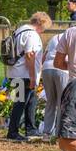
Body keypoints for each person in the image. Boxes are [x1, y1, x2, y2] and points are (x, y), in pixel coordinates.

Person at [6, 12, 51, 142]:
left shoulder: (20, 30)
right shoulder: (31, 34)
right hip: (24, 75)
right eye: (44, 27)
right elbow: (29, 55)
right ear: (40, 23)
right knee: (20, 103)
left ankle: (30, 128)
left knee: (30, 101)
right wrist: (32, 77)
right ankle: (13, 132)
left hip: (15, 73)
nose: (44, 31)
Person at [39, 33, 67, 139]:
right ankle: (59, 133)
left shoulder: (55, 37)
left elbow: (44, 56)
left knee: (50, 101)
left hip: (47, 68)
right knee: (62, 102)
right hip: (62, 69)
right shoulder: (72, 37)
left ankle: (46, 133)